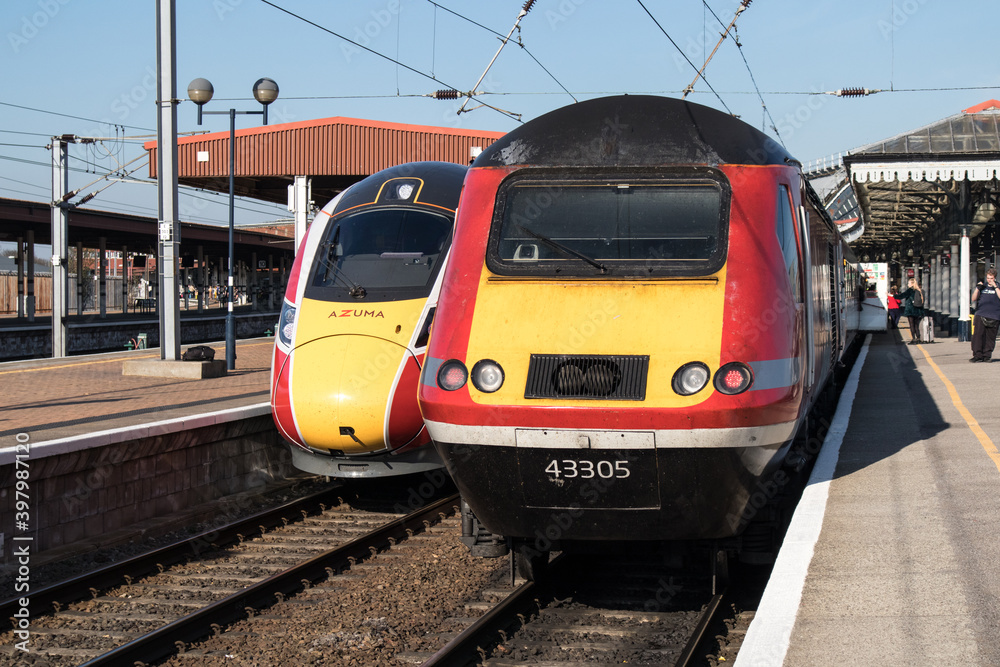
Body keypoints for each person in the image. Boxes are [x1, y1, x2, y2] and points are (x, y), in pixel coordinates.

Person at [970, 268, 1000, 362]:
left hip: (994, 315)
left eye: (991, 278)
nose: (989, 280)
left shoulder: (998, 286)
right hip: (981, 313)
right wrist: (977, 289)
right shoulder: (983, 286)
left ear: (995, 278)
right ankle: (977, 355)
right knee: (977, 336)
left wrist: (995, 287)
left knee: (990, 337)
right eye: (988, 278)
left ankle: (987, 355)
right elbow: (973, 299)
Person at [895, 278, 925, 345]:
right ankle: (918, 338)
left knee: (912, 325)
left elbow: (901, 296)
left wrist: (892, 295)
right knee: (916, 325)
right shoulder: (920, 290)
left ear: (912, 284)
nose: (908, 284)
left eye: (908, 283)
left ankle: (913, 339)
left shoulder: (910, 290)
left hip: (911, 310)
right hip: (918, 310)